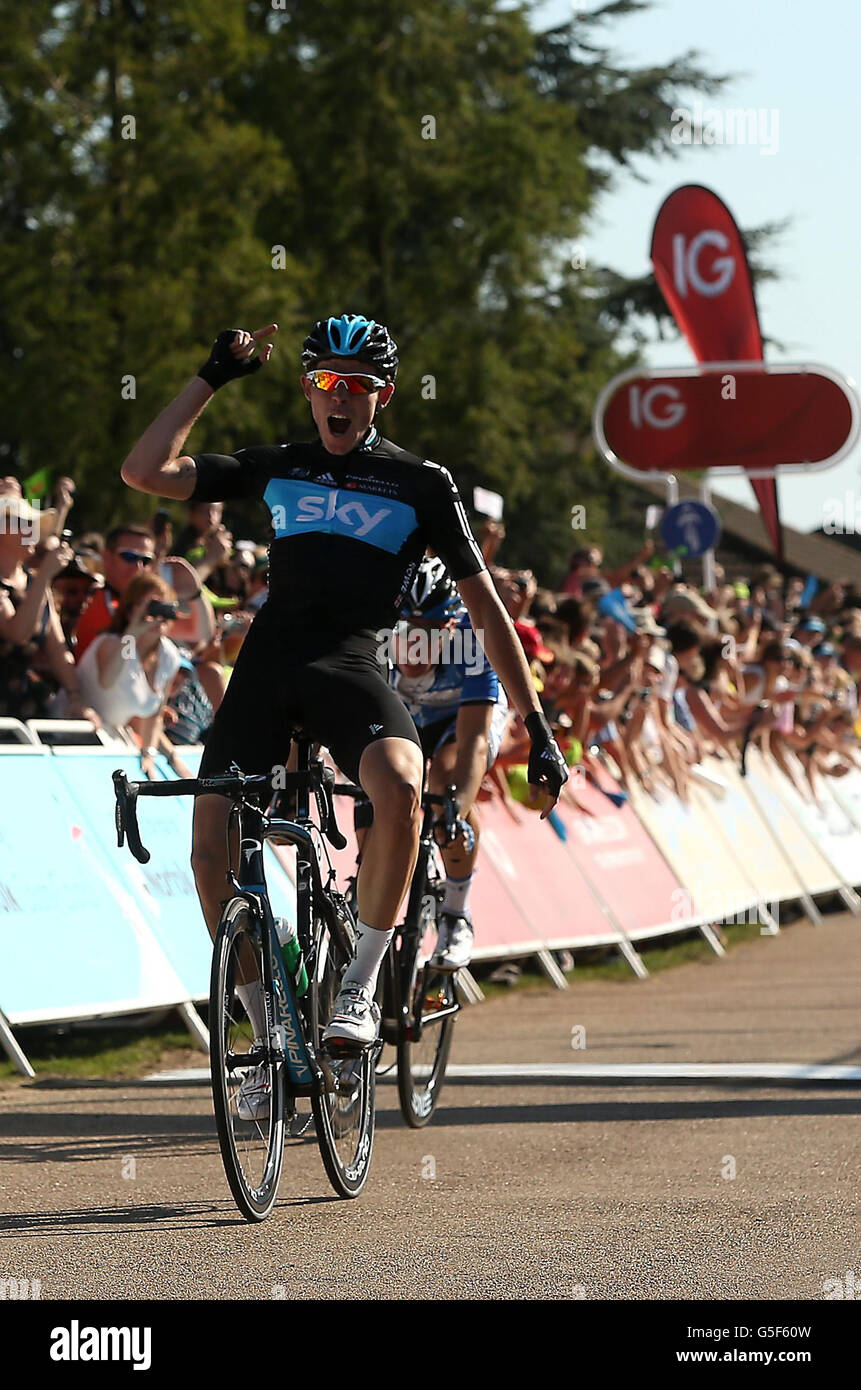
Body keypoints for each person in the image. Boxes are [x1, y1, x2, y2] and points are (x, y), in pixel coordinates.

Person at [119, 314, 568, 1081]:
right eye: (326, 381)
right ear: (307, 388)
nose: (341, 398)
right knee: (207, 852)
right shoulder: (278, 464)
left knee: (399, 788)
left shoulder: (420, 483)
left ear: (382, 396)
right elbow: (143, 471)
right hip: (266, 666)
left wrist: (536, 724)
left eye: (357, 386)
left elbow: (488, 612)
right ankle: (268, 1043)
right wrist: (213, 375)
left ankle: (357, 988)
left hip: (349, 666)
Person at [384, 557, 510, 971]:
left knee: (445, 782)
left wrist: (453, 807)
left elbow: (474, 740)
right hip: (407, 716)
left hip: (463, 720)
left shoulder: (473, 640)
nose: (417, 641)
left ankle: (456, 914)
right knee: (377, 809)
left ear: (452, 626)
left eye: (433, 631)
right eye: (407, 630)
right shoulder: (374, 638)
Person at [76, 572, 183, 772]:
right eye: (150, 607)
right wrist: (134, 630)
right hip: (77, 733)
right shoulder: (113, 643)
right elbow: (107, 681)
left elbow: (155, 715)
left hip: (112, 739)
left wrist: (148, 754)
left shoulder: (169, 655)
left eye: (164, 607)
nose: (157, 617)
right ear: (129, 610)